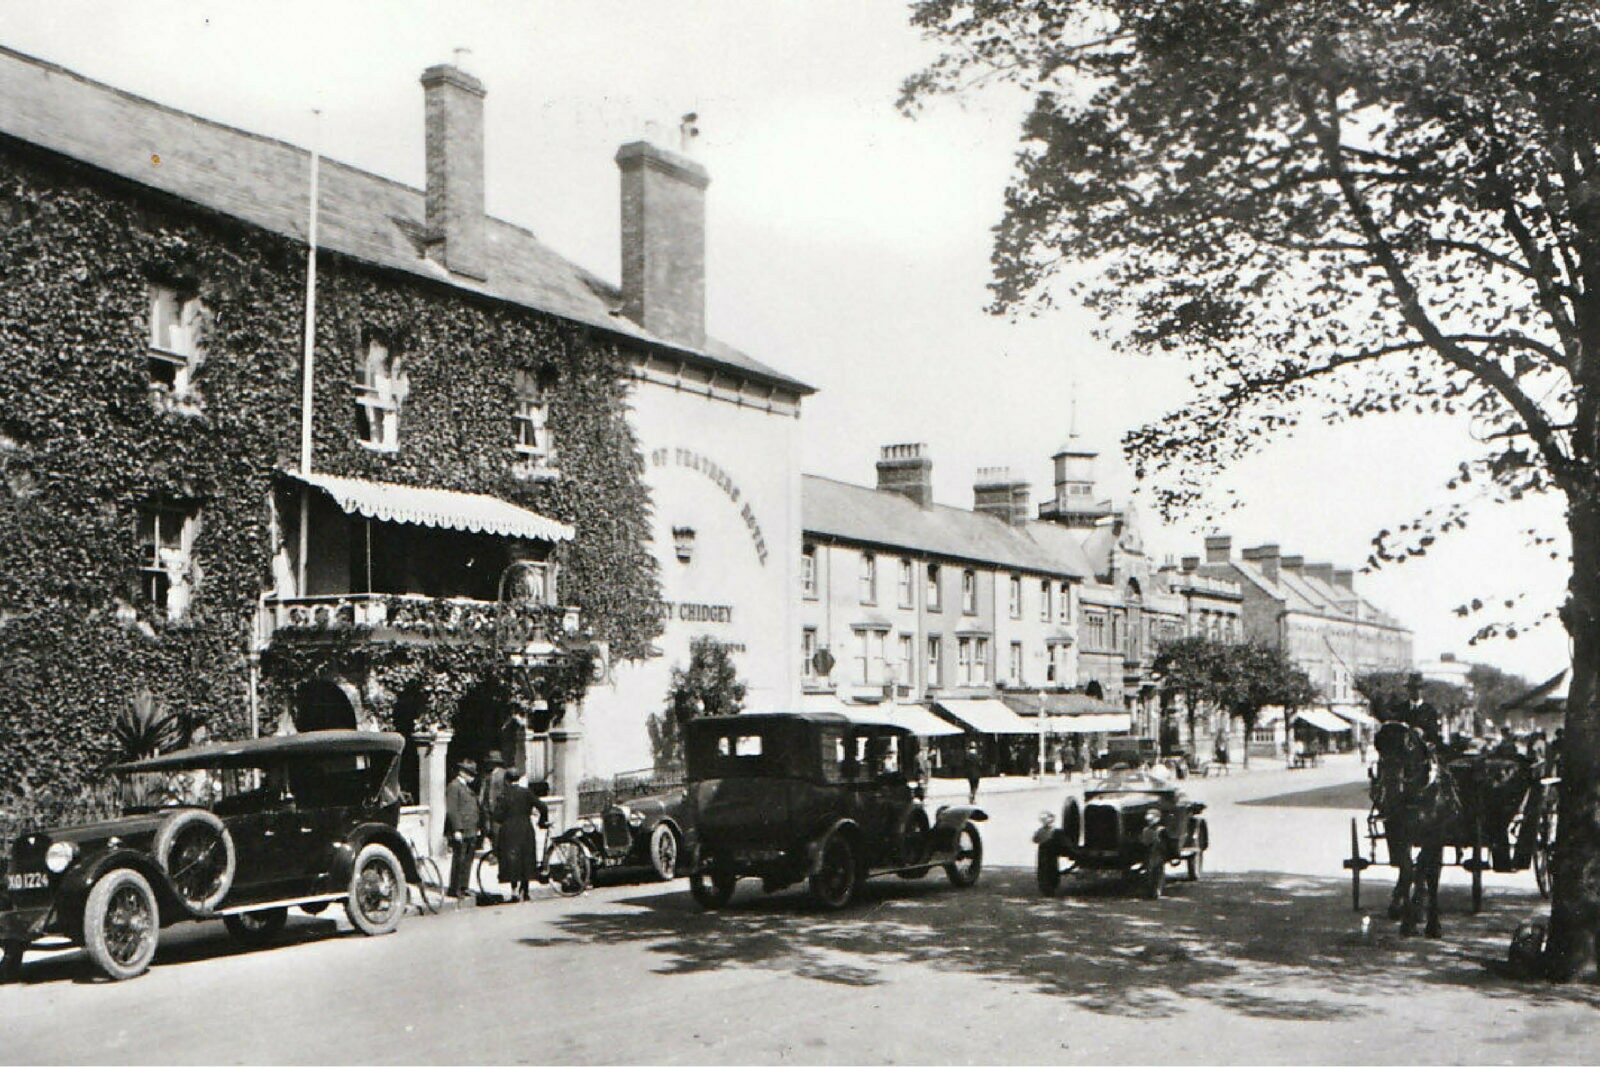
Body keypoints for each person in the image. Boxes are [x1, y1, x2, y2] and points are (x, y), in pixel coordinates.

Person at [492, 768, 548, 902]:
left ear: (506, 780)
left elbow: (497, 816)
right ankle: (526, 891)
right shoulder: (526, 793)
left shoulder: (504, 795)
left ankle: (514, 891)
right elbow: (543, 806)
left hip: (509, 831)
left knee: (513, 861)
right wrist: (542, 821)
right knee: (526, 859)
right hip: (526, 829)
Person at [444, 759, 481, 898]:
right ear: (462, 773)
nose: (472, 777)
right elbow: (452, 810)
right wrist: (457, 829)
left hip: (471, 829)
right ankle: (455, 888)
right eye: (470, 773)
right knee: (459, 859)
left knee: (468, 860)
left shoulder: (467, 788)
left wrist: (477, 826)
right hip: (462, 830)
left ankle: (464, 886)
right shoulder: (454, 787)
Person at [1400, 673, 1442, 749]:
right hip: (1404, 750)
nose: (1416, 691)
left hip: (1423, 750)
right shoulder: (1402, 708)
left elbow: (1433, 732)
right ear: (1408, 691)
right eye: (1412, 688)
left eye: (1419, 688)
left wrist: (1422, 732)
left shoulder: (1430, 710)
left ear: (1423, 691)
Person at [478, 750, 509, 847]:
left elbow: (507, 791)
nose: (488, 765)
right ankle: (493, 850)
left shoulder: (504, 774)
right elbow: (483, 791)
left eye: (490, 763)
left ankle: (497, 853)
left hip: (498, 808)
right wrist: (481, 802)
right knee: (488, 829)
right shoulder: (487, 775)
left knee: (498, 831)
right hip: (487, 808)